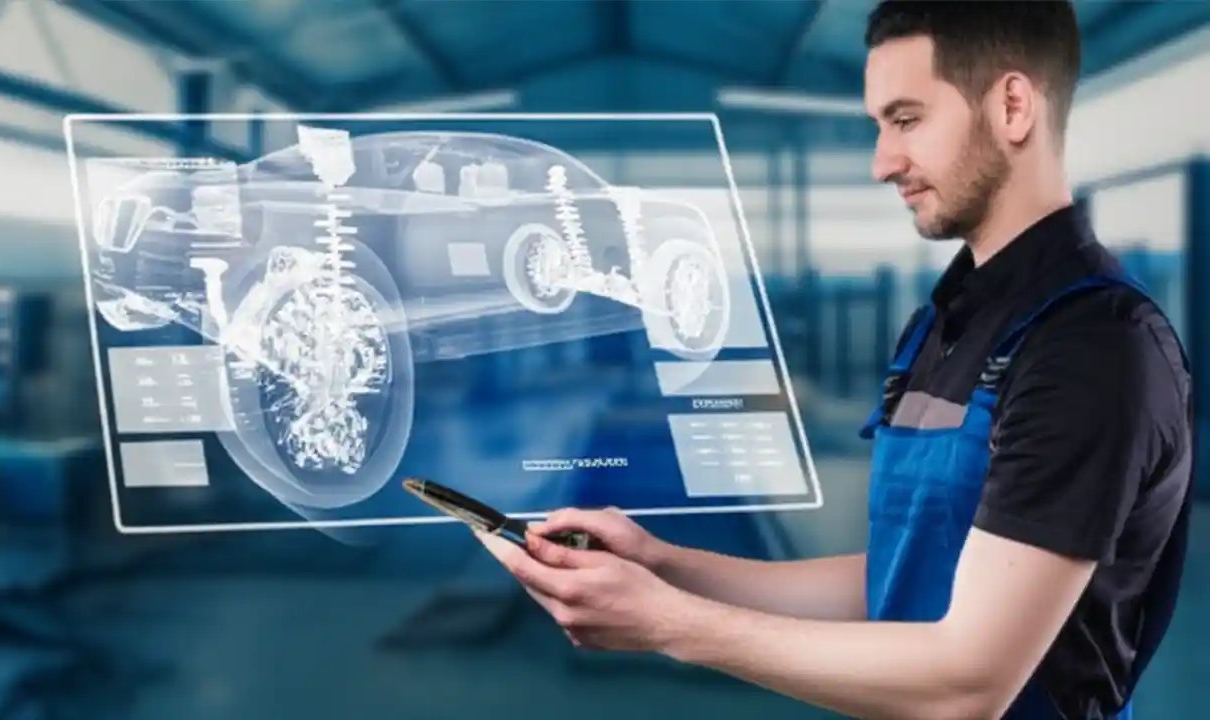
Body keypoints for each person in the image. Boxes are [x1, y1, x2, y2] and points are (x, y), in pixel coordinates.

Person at [475, 2, 1194, 718]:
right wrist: (662, 563)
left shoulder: (1092, 346)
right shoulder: (943, 326)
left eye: (907, 120)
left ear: (1012, 107)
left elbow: (969, 682)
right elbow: (901, 575)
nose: (883, 163)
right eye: (878, 126)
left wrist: (669, 623)